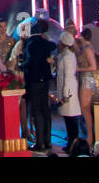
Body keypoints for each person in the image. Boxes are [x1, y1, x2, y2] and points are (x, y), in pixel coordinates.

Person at [23, 18, 56, 151]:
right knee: (45, 110)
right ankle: (48, 141)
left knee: (36, 111)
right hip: (45, 80)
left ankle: (39, 142)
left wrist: (22, 65)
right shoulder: (45, 43)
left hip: (34, 81)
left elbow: (30, 62)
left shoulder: (30, 44)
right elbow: (53, 46)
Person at [55, 32, 81, 153]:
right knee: (68, 119)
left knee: (71, 119)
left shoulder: (68, 57)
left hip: (68, 91)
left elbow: (69, 76)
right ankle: (71, 142)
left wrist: (66, 94)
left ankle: (73, 144)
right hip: (65, 90)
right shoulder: (63, 55)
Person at [75, 28, 98, 144]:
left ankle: (90, 137)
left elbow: (93, 67)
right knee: (84, 108)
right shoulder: (84, 48)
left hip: (87, 78)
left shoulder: (88, 49)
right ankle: (89, 135)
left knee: (85, 108)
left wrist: (78, 69)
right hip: (84, 78)